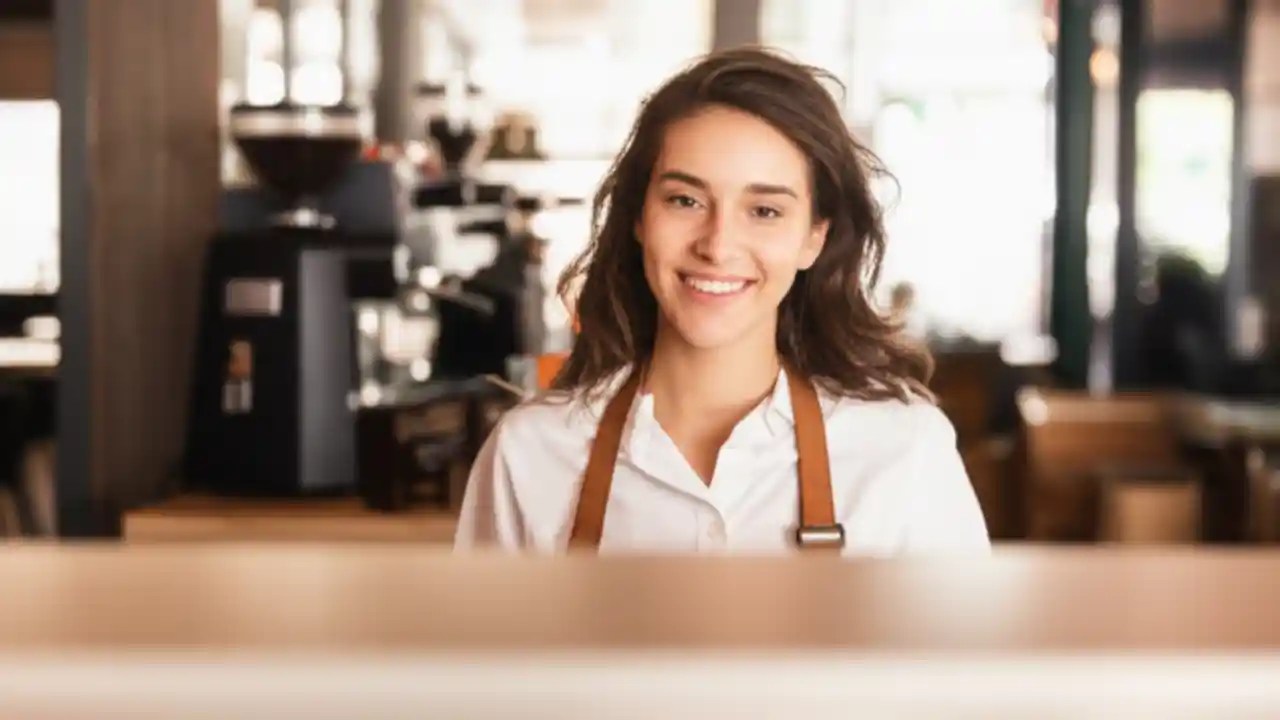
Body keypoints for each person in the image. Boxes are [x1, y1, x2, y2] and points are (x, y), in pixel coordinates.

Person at [454, 47, 989, 555]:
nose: (717, 245)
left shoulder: (903, 450)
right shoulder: (529, 455)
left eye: (765, 211)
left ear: (814, 237)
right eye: (685, 200)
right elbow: (478, 654)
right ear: (639, 217)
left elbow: (964, 655)